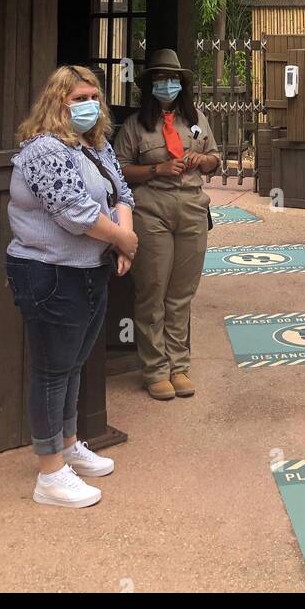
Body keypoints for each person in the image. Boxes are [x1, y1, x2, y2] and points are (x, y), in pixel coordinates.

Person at [6, 65, 138, 508]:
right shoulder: (43, 150)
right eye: (79, 98)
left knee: (74, 362)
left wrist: (123, 242)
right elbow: (74, 211)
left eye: (94, 97)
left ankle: (68, 444)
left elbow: (122, 195)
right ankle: (49, 472)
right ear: (57, 102)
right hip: (48, 271)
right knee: (50, 369)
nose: (90, 105)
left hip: (88, 267)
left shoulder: (95, 144)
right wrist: (123, 239)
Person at [115, 49, 220, 400]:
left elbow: (215, 160)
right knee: (153, 290)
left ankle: (179, 366)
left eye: (172, 79)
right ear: (150, 86)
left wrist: (201, 159)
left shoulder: (196, 119)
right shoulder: (135, 126)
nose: (167, 84)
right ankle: (155, 369)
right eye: (160, 79)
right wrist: (156, 169)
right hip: (151, 209)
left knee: (181, 293)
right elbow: (118, 171)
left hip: (191, 208)